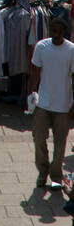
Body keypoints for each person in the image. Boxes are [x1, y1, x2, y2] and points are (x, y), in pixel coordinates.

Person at [30, 12, 74, 188]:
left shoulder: (71, 50)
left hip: (63, 104)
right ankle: (43, 170)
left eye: (60, 32)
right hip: (43, 102)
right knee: (39, 137)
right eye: (54, 31)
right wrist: (30, 93)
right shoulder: (42, 47)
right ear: (50, 31)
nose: (56, 35)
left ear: (64, 32)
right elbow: (34, 71)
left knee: (60, 142)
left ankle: (56, 176)